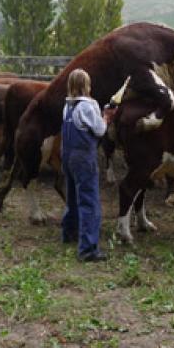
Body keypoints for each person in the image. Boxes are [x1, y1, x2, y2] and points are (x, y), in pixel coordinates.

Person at [61, 68, 115, 262]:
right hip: (83, 156)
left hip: (67, 154)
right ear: (87, 85)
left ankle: (69, 232)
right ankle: (88, 249)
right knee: (89, 201)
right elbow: (99, 130)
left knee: (72, 197)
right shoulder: (88, 105)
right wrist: (106, 116)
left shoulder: (68, 106)